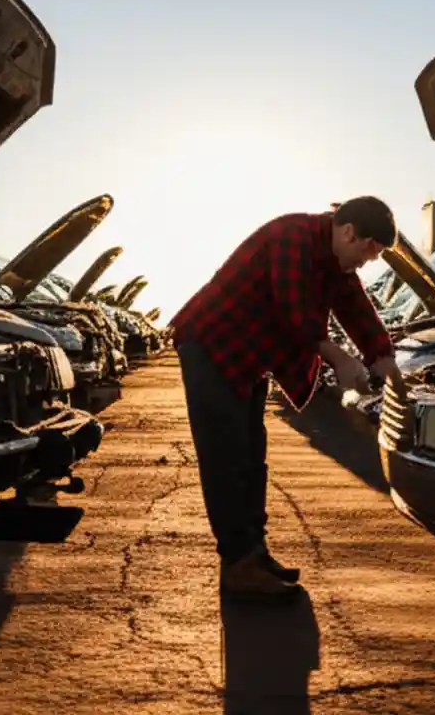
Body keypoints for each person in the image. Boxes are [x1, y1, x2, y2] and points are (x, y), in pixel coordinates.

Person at [169, 196, 400, 602]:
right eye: (370, 250)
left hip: (249, 357)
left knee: (251, 456)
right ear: (349, 232)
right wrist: (341, 358)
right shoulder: (291, 237)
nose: (370, 261)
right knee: (225, 457)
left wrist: (384, 359)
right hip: (211, 346)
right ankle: (238, 566)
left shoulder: (335, 261)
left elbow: (356, 307)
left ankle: (254, 555)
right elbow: (295, 311)